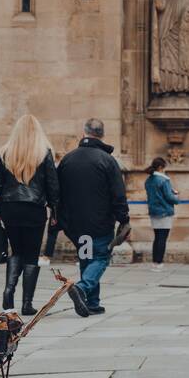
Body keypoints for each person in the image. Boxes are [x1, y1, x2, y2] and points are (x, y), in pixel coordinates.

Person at [57, 118, 129, 316]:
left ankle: (92, 302)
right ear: (102, 134)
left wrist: (60, 217)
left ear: (84, 132)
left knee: (86, 257)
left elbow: (57, 191)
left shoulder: (68, 159)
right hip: (100, 220)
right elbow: (118, 193)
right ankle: (82, 287)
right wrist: (123, 218)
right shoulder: (107, 160)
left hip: (74, 222)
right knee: (100, 256)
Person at [0, 114, 59, 316]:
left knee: (16, 251)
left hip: (10, 209)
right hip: (34, 210)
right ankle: (27, 303)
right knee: (31, 255)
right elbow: (52, 185)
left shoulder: (5, 152)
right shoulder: (43, 152)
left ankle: (8, 293)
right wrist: (55, 209)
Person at [144, 156, 178, 268]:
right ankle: (159, 262)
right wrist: (176, 197)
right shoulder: (164, 180)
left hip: (154, 211)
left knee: (157, 237)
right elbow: (169, 197)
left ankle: (155, 261)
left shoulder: (148, 180)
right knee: (162, 238)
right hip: (164, 211)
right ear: (160, 167)